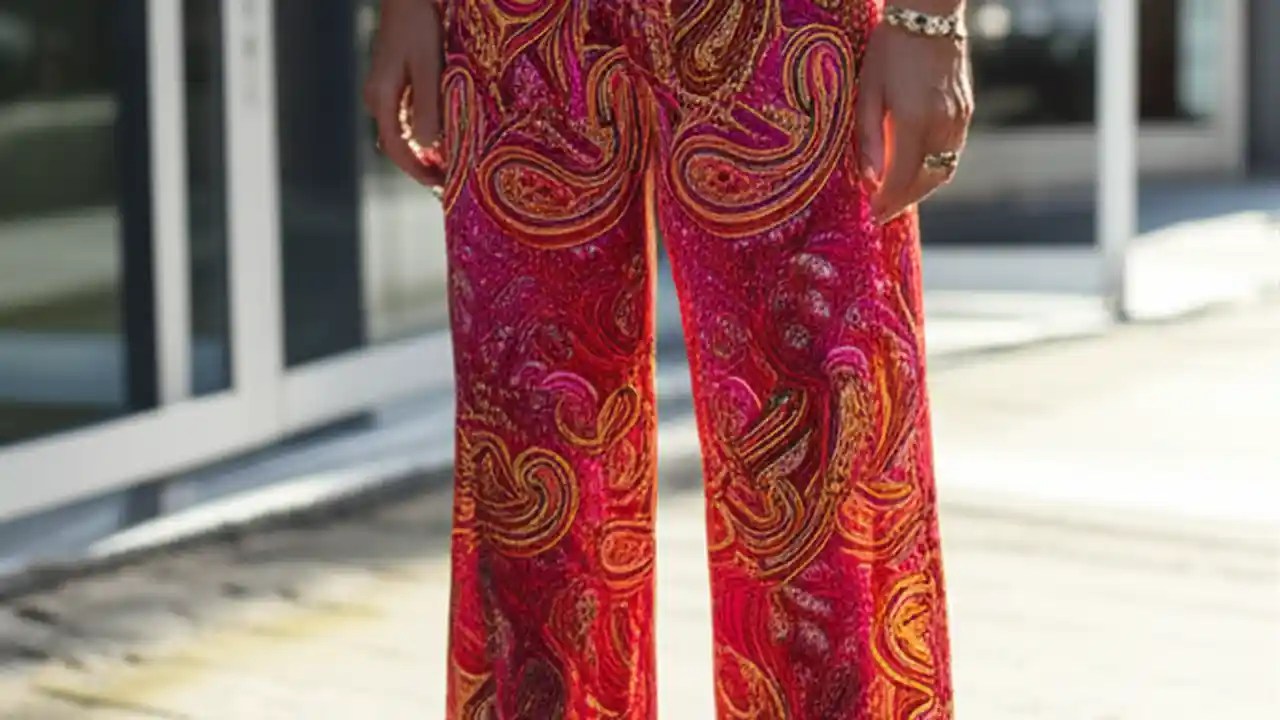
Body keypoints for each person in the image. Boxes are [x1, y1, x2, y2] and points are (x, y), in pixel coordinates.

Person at [365, 0, 972, 717]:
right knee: (532, 511)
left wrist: (927, 21)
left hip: (780, 28)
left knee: (818, 502)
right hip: (510, 26)